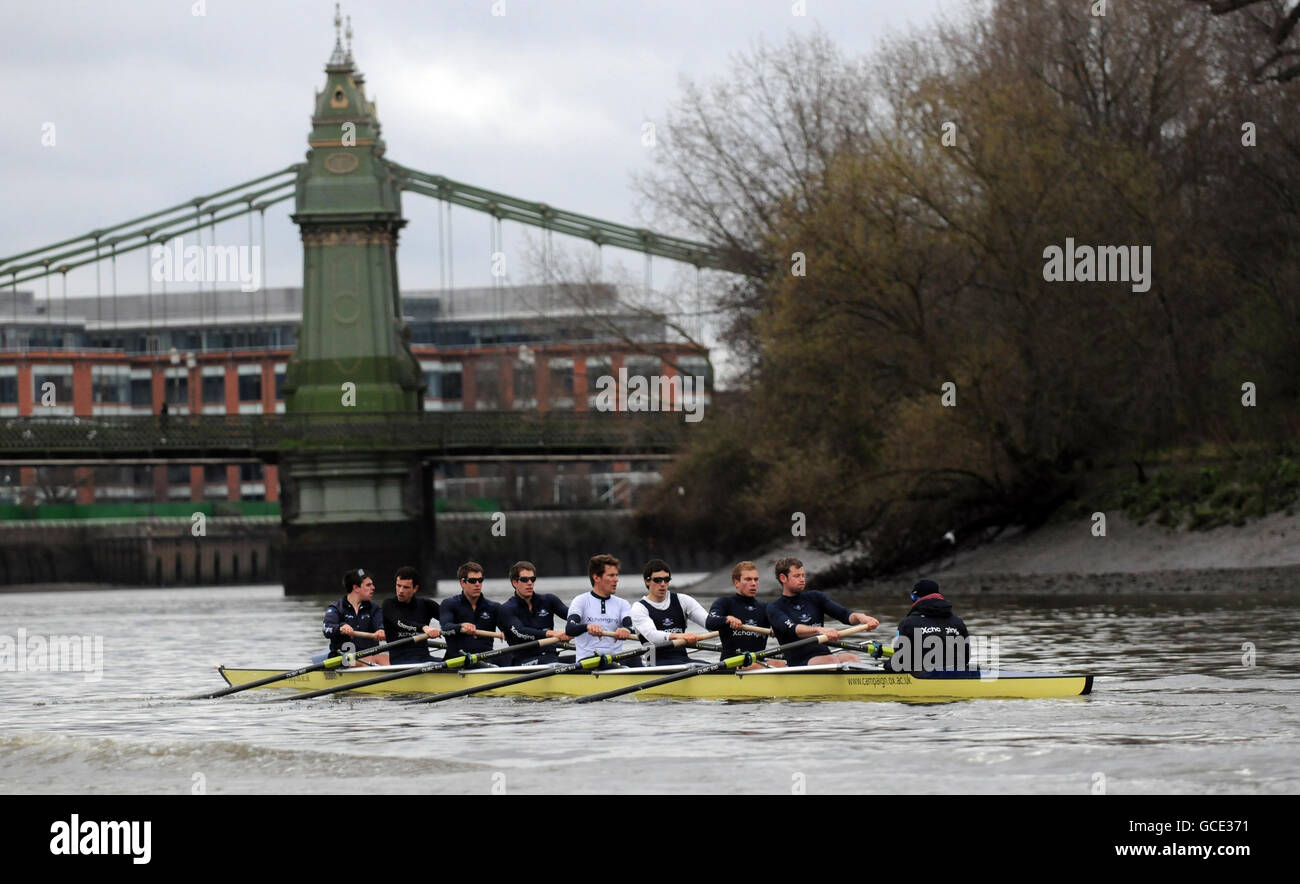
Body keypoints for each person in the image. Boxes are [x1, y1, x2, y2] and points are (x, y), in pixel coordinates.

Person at [766, 557, 879, 667]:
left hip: (825, 657)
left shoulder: (815, 597)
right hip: (799, 662)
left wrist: (861, 617)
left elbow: (845, 615)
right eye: (796, 576)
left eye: (803, 575)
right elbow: (794, 629)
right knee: (830, 661)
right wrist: (819, 630)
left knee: (851, 658)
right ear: (783, 578)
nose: (802, 579)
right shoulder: (774, 608)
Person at [706, 561, 786, 669]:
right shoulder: (724, 603)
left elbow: (785, 625)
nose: (753, 583)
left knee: (786, 663)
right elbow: (709, 622)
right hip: (732, 664)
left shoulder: (765, 607)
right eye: (748, 579)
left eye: (756, 579)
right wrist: (727, 619)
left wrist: (780, 630)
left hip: (758, 663)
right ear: (736, 582)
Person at [630, 559, 709, 666]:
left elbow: (709, 623)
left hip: (683, 660)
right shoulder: (639, 608)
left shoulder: (683, 600)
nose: (663, 584)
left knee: (715, 667)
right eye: (657, 580)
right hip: (655, 664)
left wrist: (727, 621)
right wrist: (681, 636)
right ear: (647, 581)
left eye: (666, 580)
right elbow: (653, 636)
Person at [889, 578, 970, 673]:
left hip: (924, 677)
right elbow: (966, 657)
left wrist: (887, 664)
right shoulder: (958, 622)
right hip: (957, 676)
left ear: (915, 598)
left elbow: (899, 661)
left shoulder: (908, 623)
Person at [565, 554, 635, 664]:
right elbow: (570, 629)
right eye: (611, 575)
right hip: (588, 662)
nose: (616, 580)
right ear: (596, 577)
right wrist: (587, 626)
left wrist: (627, 630)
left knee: (635, 659)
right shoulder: (581, 601)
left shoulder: (622, 604)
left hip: (614, 661)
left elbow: (631, 625)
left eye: (616, 575)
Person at [497, 560, 570, 666]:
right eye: (525, 579)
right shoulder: (507, 609)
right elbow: (520, 631)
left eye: (532, 579)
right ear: (515, 582)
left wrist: (581, 628)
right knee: (550, 663)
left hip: (551, 657)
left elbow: (572, 617)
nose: (530, 583)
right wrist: (552, 633)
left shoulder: (549, 600)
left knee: (587, 659)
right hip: (523, 661)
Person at [322, 568, 388, 666]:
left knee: (386, 658)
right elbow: (326, 628)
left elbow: (381, 623)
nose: (373, 588)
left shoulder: (374, 608)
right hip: (343, 661)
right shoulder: (336, 608)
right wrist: (341, 627)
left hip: (368, 661)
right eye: (368, 585)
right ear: (356, 588)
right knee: (376, 659)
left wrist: (382, 630)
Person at [439, 561, 501, 661]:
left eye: (480, 580)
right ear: (463, 582)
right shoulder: (449, 604)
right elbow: (445, 628)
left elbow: (510, 629)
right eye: (473, 581)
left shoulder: (493, 607)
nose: (477, 584)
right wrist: (461, 626)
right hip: (458, 659)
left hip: (486, 658)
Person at [381, 566, 442, 666]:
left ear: (415, 589)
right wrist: (424, 627)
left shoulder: (426, 605)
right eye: (398, 585)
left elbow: (449, 619)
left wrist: (464, 625)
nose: (400, 591)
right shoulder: (389, 605)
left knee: (457, 662)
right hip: (401, 661)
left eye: (406, 587)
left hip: (425, 658)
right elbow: (400, 622)